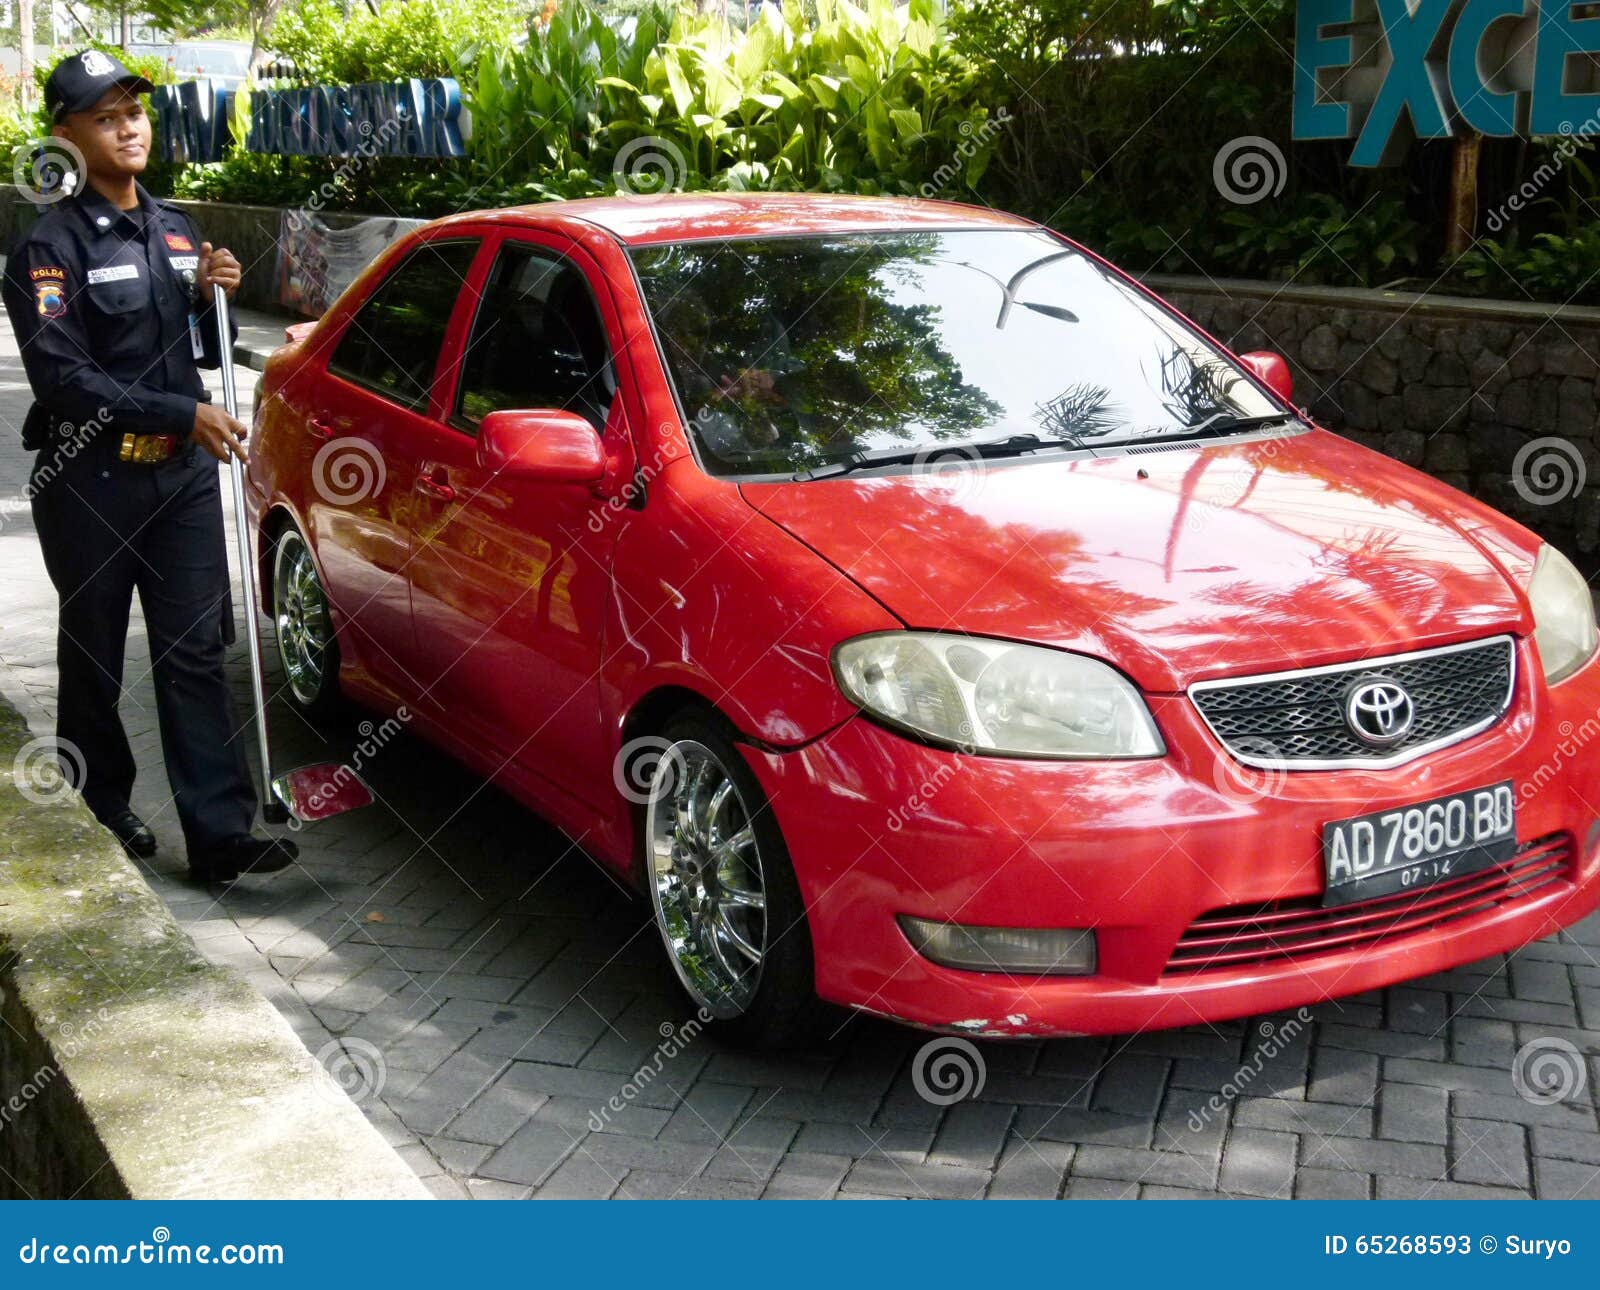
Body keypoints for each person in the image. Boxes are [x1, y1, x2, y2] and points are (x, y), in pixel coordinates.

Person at [2, 50, 298, 883]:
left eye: (134, 110)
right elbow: (64, 383)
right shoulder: (46, 250)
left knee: (196, 648)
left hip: (181, 481)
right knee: (95, 651)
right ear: (66, 136)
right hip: (92, 481)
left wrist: (215, 295)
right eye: (105, 116)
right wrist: (184, 413)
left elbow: (199, 354)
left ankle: (220, 835)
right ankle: (99, 806)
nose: (128, 126)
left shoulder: (175, 229)